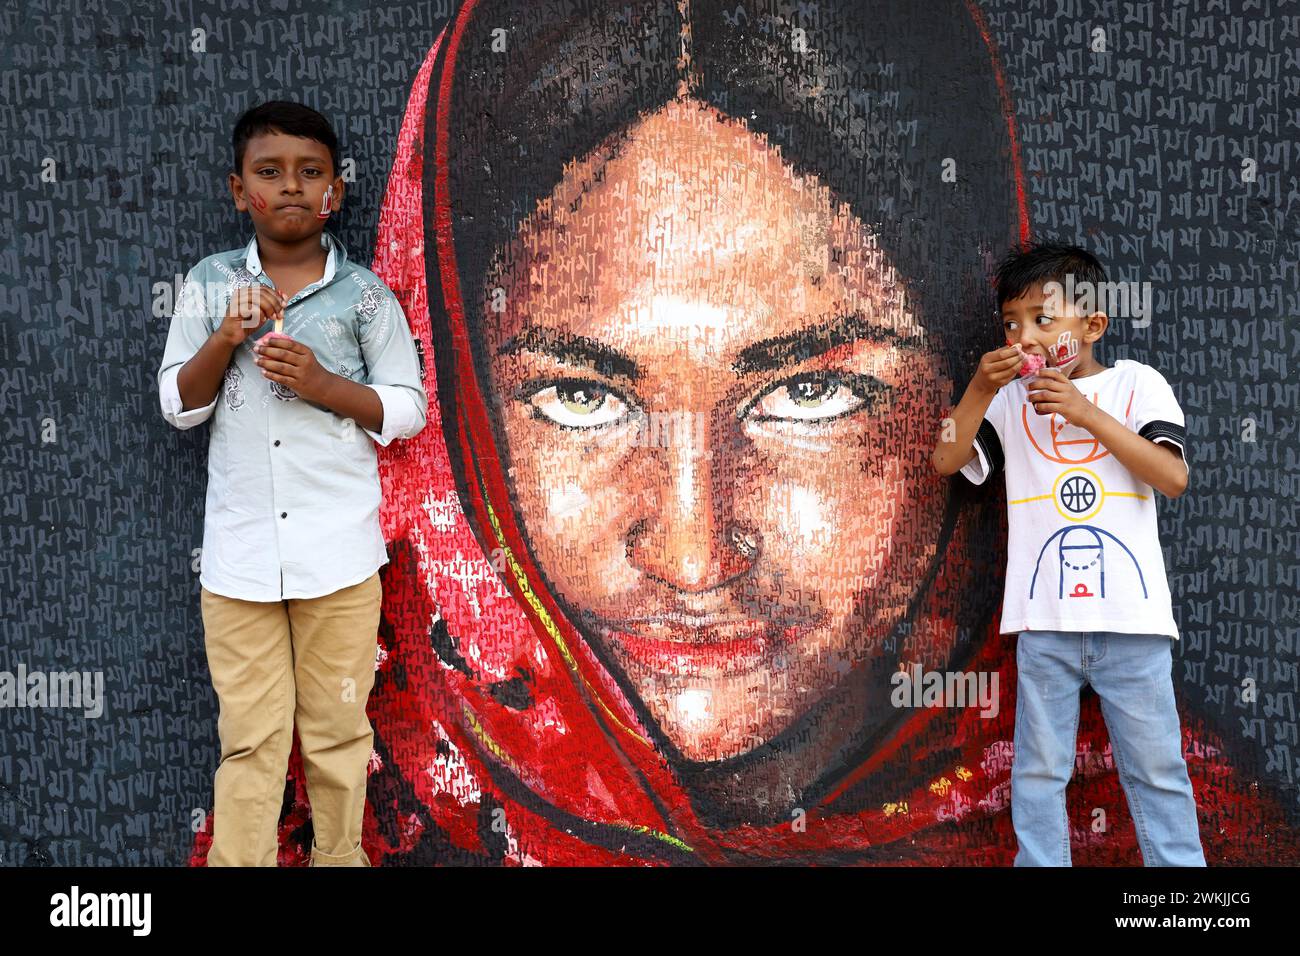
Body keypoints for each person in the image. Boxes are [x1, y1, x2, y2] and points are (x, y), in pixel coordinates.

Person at [215, 2, 1300, 866]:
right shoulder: (356, 817)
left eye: (812, 393)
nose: (693, 552)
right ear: (462, 423)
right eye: (581, 398)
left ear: (957, 345)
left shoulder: (1165, 838)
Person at [158, 100, 427, 866]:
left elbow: (408, 409)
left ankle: (340, 859)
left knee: (339, 735)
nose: (290, 187)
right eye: (269, 172)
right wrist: (226, 336)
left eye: (310, 173)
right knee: (251, 741)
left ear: (334, 191)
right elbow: (177, 404)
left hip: (339, 560)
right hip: (239, 563)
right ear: (238, 190)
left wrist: (322, 384)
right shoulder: (210, 284)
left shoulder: (366, 296)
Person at [933, 242, 1206, 866]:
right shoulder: (1009, 400)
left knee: (1156, 769)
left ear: (1093, 325)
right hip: (1044, 625)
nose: (1023, 337)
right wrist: (979, 387)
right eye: (1011, 323)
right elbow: (946, 458)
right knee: (1037, 771)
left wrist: (1087, 414)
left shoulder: (1135, 384)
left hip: (1132, 624)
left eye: (1042, 319)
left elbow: (1172, 477)